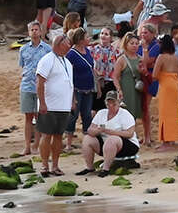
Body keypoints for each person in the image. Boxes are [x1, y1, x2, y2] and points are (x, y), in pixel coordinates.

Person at [33, 31, 75, 175]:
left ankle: (55, 166)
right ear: (59, 44)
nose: (70, 45)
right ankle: (45, 166)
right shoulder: (47, 60)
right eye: (68, 42)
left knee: (58, 135)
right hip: (50, 105)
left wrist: (72, 100)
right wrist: (42, 103)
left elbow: (70, 83)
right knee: (46, 135)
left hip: (63, 106)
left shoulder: (67, 62)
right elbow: (39, 82)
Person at [83, 88, 139, 173]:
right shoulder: (101, 113)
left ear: (118, 103)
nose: (111, 105)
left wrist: (109, 131)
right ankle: (89, 167)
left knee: (112, 139)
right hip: (105, 144)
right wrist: (98, 131)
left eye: (114, 103)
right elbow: (90, 129)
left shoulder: (125, 114)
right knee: (88, 139)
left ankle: (106, 168)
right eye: (109, 103)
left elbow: (130, 134)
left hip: (125, 144)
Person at [16, 21, 50, 158]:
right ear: (29, 32)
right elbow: (22, 66)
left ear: (41, 32)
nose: (34, 32)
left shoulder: (47, 49)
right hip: (26, 86)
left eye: (36, 29)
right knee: (28, 117)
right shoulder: (23, 49)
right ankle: (27, 146)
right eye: (32, 30)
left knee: (39, 116)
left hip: (41, 87)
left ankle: (36, 144)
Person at [152, 33, 178, 148]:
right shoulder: (175, 57)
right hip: (176, 85)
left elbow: (154, 75)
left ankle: (165, 142)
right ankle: (172, 139)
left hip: (166, 86)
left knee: (164, 113)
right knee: (174, 114)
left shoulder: (161, 57)